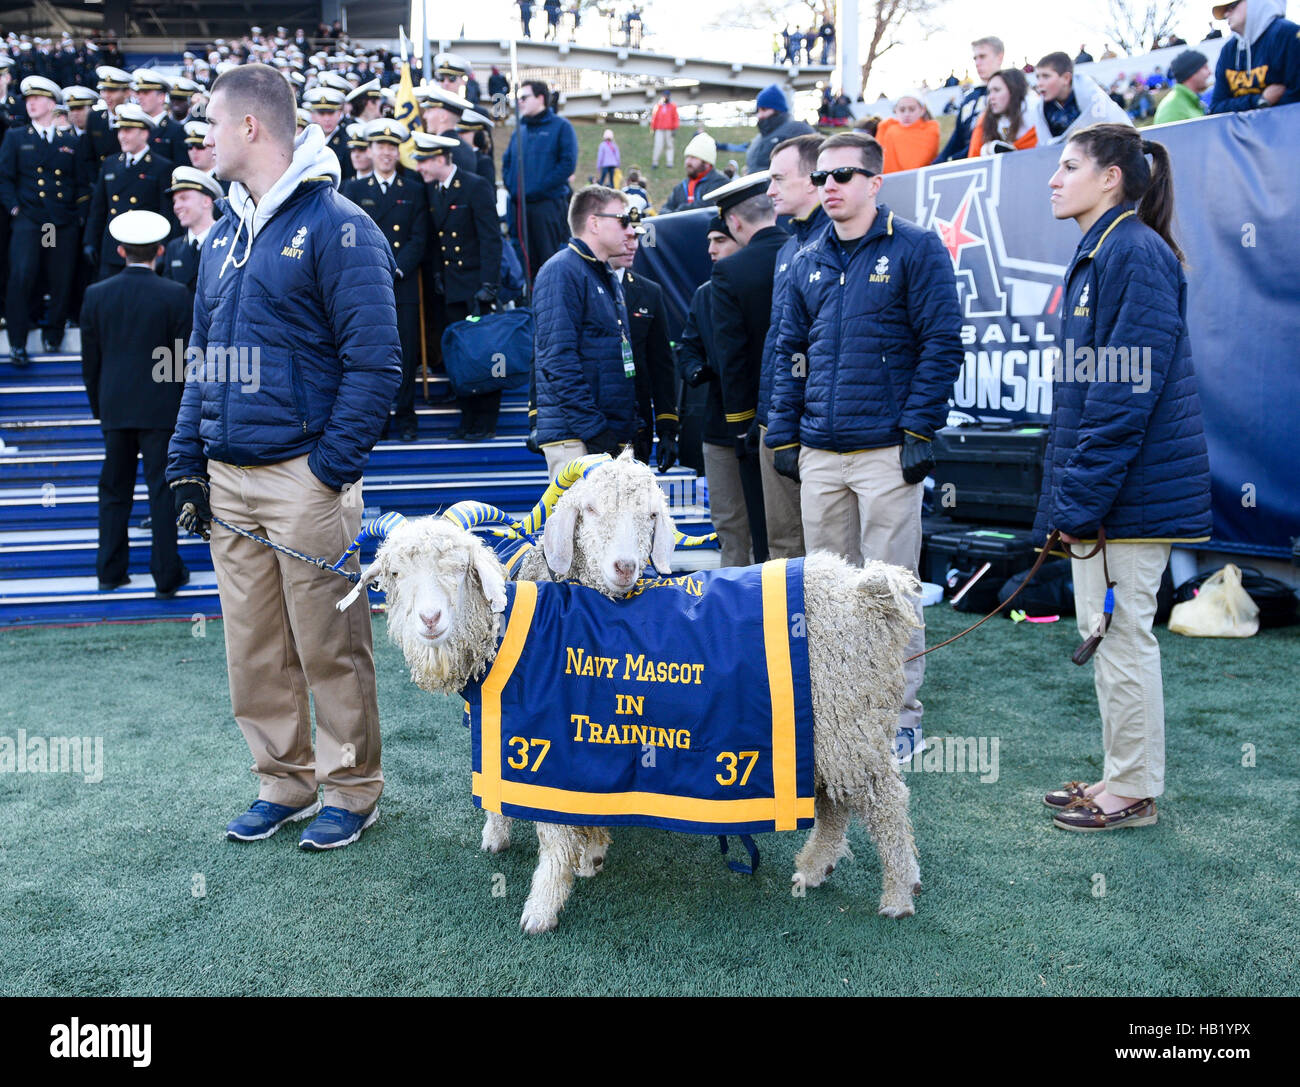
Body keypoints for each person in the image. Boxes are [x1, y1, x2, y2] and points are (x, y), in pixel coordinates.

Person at [166, 64, 401, 851]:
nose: (200, 138)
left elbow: (377, 365)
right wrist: (185, 458)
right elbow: (204, 356)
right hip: (230, 476)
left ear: (251, 129)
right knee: (253, 645)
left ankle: (353, 789)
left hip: (304, 475)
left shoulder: (343, 225)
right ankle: (284, 781)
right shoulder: (224, 232)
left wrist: (327, 471)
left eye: (209, 123)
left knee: (329, 644)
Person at [766, 131, 963, 764]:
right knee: (826, 599)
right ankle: (837, 719)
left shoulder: (917, 248)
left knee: (889, 593)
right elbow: (788, 350)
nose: (830, 186)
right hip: (820, 453)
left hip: (886, 454)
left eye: (845, 175)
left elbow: (941, 344)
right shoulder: (803, 259)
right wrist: (784, 431)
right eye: (822, 176)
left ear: (876, 183)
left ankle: (899, 719)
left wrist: (917, 430)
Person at [1039, 124, 1211, 831]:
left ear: (1112, 177)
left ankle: (1133, 790)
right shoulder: (1104, 250)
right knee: (1106, 630)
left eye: (1070, 165)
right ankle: (1120, 773)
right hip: (1116, 493)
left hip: (1130, 497)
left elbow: (1121, 396)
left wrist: (1079, 501)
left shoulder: (1132, 252)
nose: (1054, 178)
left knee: (1122, 633)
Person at [81, 209, 191, 596]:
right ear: (160, 251)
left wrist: (101, 408)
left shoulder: (96, 295)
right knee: (162, 492)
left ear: (121, 250)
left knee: (114, 491)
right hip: (161, 412)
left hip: (115, 410)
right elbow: (181, 362)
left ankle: (110, 571)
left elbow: (90, 363)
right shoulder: (176, 295)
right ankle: (166, 575)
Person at [705, 172, 790, 565]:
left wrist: (741, 426)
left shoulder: (730, 272)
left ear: (734, 222)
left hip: (762, 421)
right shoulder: (807, 251)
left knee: (767, 531)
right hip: (815, 415)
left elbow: (732, 359)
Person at [530, 185, 640, 479]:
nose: (629, 229)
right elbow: (558, 360)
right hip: (577, 439)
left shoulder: (603, 275)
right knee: (579, 527)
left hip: (602, 434)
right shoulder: (562, 271)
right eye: (622, 220)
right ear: (594, 222)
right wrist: (594, 430)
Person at [758, 133, 827, 560]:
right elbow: (780, 338)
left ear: (812, 179)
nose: (770, 191)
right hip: (778, 413)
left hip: (819, 420)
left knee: (828, 551)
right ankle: (788, 628)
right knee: (783, 542)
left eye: (779, 179)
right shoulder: (788, 247)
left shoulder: (836, 242)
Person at [343, 118, 427, 443]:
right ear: (371, 150)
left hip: (401, 284)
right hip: (366, 286)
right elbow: (348, 236)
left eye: (392, 147)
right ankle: (376, 419)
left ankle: (406, 415)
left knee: (404, 354)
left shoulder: (414, 189)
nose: (387, 153)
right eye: (381, 147)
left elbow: (419, 239)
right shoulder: (353, 190)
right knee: (370, 355)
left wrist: (396, 268)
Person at [419, 131, 503, 441]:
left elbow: (491, 238)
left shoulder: (475, 186)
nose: (419, 168)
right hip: (452, 287)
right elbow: (440, 241)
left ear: (441, 159)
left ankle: (486, 420)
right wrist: (440, 275)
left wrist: (489, 284)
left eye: (423, 160)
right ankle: (467, 417)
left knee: (481, 354)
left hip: (476, 286)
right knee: (459, 354)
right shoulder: (435, 191)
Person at [679, 216, 751, 563]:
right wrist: (699, 370)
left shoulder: (766, 283)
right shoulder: (704, 295)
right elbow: (687, 348)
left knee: (776, 523)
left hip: (765, 426)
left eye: (720, 240)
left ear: (741, 238)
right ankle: (737, 602)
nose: (711, 249)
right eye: (709, 241)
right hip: (719, 427)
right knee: (728, 521)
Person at [0, 76, 84, 364]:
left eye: (37, 99)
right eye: (28, 99)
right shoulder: (16, 137)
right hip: (30, 219)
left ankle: (53, 335)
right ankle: (18, 342)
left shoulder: (69, 142)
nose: (31, 103)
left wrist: (76, 214)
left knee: (60, 279)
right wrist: (14, 209)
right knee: (22, 277)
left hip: (60, 221)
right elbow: (5, 178)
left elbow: (80, 182)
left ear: (51, 103)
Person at [608, 218, 678, 473]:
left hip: (637, 426)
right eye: (625, 237)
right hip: (591, 424)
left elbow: (662, 365)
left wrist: (668, 429)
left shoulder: (649, 292)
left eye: (636, 237)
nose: (632, 245)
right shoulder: (580, 284)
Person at [84, 104, 177, 283]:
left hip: (144, 248)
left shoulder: (162, 167)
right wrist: (90, 241)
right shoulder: (110, 164)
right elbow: (99, 208)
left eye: (128, 130)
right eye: (120, 131)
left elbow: (166, 212)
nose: (122, 136)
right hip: (113, 246)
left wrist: (164, 248)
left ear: (144, 133)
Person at [502, 79, 578, 283]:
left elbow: (566, 165)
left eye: (524, 97)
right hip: (520, 209)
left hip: (547, 208)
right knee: (524, 263)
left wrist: (534, 190)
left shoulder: (561, 127)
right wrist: (513, 189)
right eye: (517, 98)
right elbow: (507, 162)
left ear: (541, 98)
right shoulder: (520, 130)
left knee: (549, 262)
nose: (520, 102)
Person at [1209, 0, 1300, 113]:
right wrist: (1260, 101)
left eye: (1232, 6)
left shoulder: (1289, 35)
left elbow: (1296, 97)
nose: (1226, 14)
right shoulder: (1229, 50)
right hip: (1243, 131)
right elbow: (1215, 109)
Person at [1032, 52, 1133, 144]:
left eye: (1046, 76)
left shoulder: (1092, 98)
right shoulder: (1042, 109)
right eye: (1038, 77)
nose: (1039, 84)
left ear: (1066, 78)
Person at [161, 165, 222, 300]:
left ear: (206, 201)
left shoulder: (227, 243)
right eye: (175, 201)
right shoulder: (174, 247)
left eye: (184, 198)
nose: (177, 206)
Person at [745, 84, 815, 173]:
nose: (760, 115)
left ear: (777, 109)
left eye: (764, 109)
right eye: (758, 110)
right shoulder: (758, 139)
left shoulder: (797, 130)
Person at [968, 68, 1038, 156]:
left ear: (1014, 91)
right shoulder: (985, 119)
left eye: (997, 90)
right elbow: (974, 157)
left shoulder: (1036, 110)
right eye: (989, 92)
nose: (990, 97)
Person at [875, 91, 940, 172]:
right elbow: (878, 161)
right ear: (895, 111)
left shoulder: (931, 129)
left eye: (912, 109)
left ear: (922, 110)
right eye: (902, 110)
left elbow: (919, 163)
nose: (907, 114)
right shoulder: (886, 128)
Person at [662, 132, 726, 211]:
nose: (688, 162)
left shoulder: (720, 183)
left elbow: (706, 209)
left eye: (693, 158)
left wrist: (678, 212)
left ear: (707, 162)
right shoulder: (680, 187)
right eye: (687, 157)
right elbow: (665, 210)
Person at [1153, 50, 1214, 123]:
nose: (1210, 72)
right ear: (1192, 72)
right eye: (1205, 68)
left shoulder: (1191, 101)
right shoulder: (1173, 109)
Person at [650, 89, 678, 169]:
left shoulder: (672, 106)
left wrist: (675, 128)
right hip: (659, 129)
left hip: (669, 129)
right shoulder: (658, 106)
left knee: (669, 145)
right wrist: (653, 128)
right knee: (658, 145)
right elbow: (654, 118)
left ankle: (670, 162)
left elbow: (675, 117)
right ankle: (655, 162)